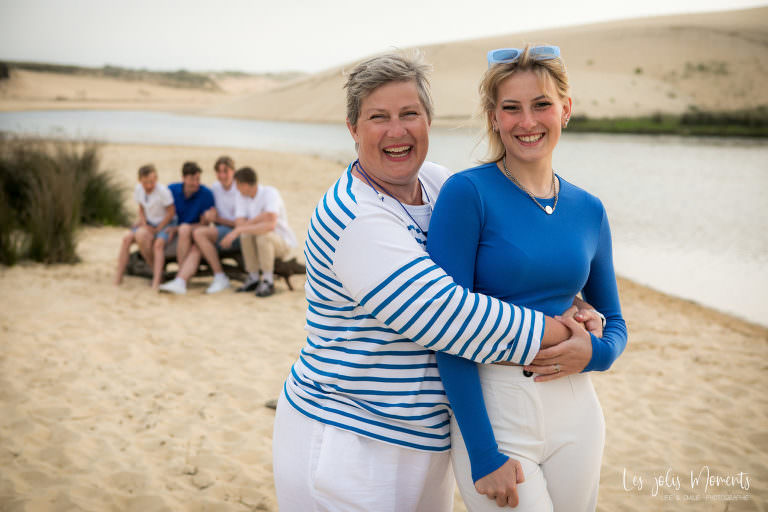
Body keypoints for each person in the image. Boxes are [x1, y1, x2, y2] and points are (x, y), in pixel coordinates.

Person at [272, 52, 601, 512]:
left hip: (425, 442)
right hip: (351, 440)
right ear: (353, 128)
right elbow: (450, 317)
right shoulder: (356, 217)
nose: (396, 131)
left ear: (429, 120)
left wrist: (574, 299)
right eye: (378, 118)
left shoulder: (438, 183)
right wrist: (567, 331)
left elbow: (495, 269)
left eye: (410, 114)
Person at [427, 45, 628, 511]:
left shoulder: (589, 209)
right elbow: (445, 328)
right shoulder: (467, 194)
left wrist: (595, 352)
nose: (527, 121)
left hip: (578, 409)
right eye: (511, 108)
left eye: (541, 105)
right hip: (497, 409)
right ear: (493, 117)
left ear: (565, 109)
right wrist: (482, 452)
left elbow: (615, 322)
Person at [158, 156, 240, 295]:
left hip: (234, 231)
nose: (222, 176)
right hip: (216, 230)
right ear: (183, 178)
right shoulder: (215, 187)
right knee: (196, 245)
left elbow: (239, 223)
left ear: (234, 172)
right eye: (219, 172)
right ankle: (181, 281)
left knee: (195, 233)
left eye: (226, 171)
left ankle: (217, 276)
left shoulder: (238, 189)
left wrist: (215, 218)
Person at [217, 166, 297, 297]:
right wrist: (261, 217)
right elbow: (239, 223)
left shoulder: (270, 193)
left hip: (281, 243)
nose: (236, 188)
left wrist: (241, 228)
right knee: (246, 234)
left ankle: (268, 280)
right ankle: (253, 277)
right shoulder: (242, 196)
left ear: (245, 185)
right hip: (257, 244)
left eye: (237, 184)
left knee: (262, 236)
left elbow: (270, 225)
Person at [155, 161, 214, 290]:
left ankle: (180, 279)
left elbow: (204, 224)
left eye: (198, 179)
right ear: (183, 178)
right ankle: (168, 278)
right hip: (174, 234)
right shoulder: (171, 190)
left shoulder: (206, 194)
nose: (196, 183)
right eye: (192, 179)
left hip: (193, 234)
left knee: (185, 231)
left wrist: (178, 228)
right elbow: (162, 212)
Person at [114, 164, 175, 286]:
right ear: (140, 180)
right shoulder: (138, 189)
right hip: (148, 222)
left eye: (152, 182)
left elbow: (171, 212)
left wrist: (158, 228)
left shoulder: (163, 192)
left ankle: (157, 279)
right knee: (126, 239)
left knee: (148, 240)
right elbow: (141, 208)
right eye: (145, 182)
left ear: (156, 179)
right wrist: (143, 222)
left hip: (164, 222)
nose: (149, 186)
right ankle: (118, 278)